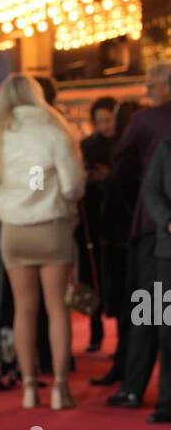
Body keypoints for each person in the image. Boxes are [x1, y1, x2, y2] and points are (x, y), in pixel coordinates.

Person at [0, 72, 85, 409]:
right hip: (51, 226)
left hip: (13, 229)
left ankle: (28, 389)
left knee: (23, 309)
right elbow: (72, 185)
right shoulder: (54, 127)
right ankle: (59, 388)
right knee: (57, 308)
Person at [106, 62, 171, 410]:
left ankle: (133, 388)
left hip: (153, 231)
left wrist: (143, 200)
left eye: (152, 83)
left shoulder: (144, 121)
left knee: (151, 311)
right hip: (156, 225)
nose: (147, 89)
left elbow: (122, 167)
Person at [90, 99, 142, 386]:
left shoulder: (125, 154)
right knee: (141, 310)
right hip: (134, 241)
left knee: (131, 310)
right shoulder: (146, 149)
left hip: (123, 241)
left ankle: (128, 372)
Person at [79, 96, 117, 352]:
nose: (105, 125)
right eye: (100, 120)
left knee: (114, 278)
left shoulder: (125, 143)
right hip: (90, 220)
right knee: (90, 276)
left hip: (116, 219)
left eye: (109, 119)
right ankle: (95, 331)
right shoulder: (86, 145)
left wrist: (111, 176)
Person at [140, 136, 171, 422]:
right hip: (167, 251)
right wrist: (167, 220)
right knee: (166, 327)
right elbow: (152, 192)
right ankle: (167, 401)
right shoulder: (166, 146)